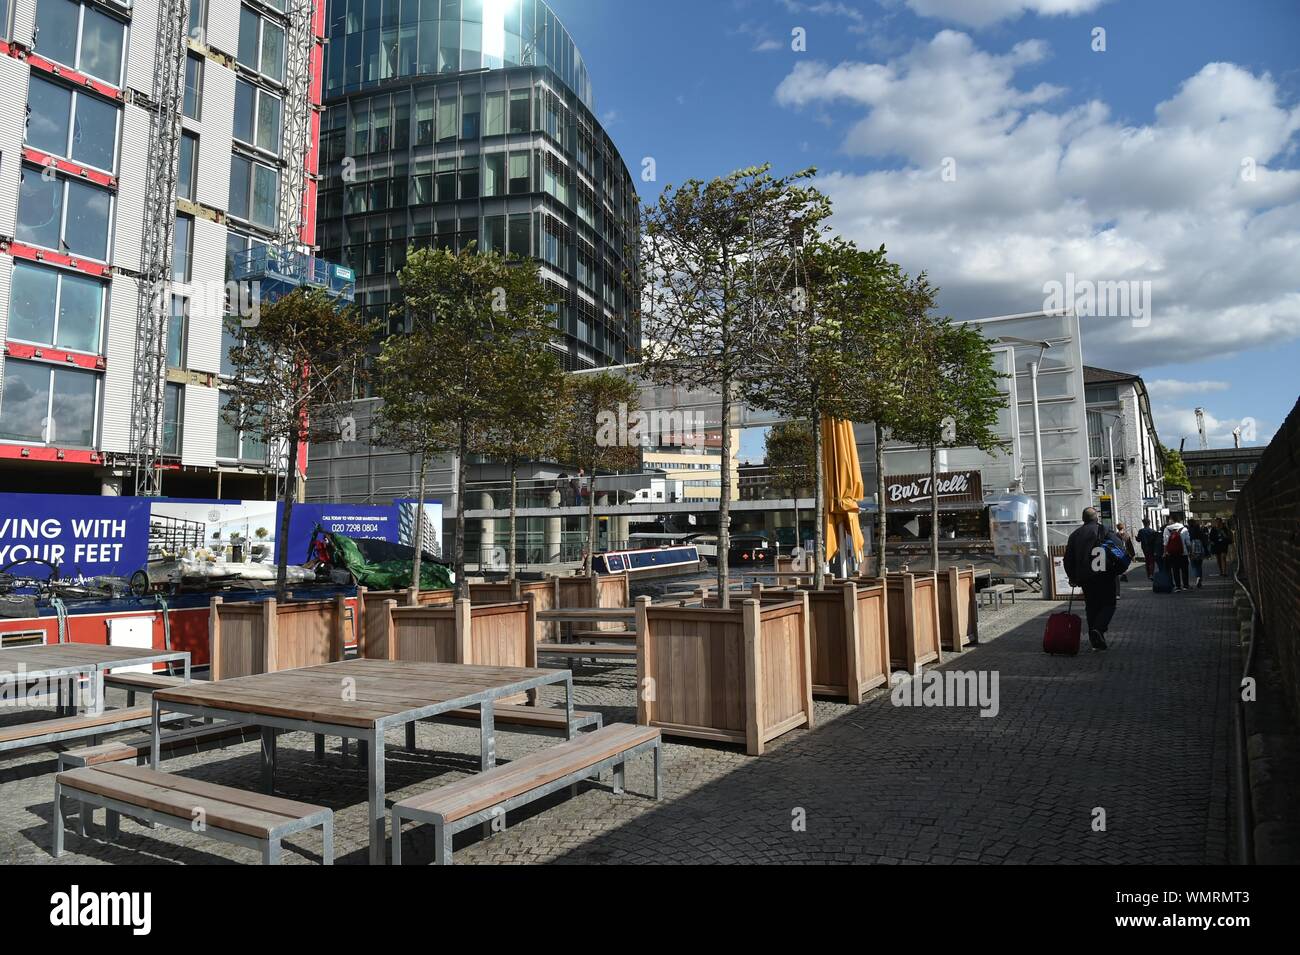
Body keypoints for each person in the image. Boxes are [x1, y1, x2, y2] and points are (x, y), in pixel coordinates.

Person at [1063, 507, 1124, 651]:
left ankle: (1094, 638)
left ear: (1083, 519)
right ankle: (1099, 629)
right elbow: (1119, 548)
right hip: (1105, 575)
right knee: (1109, 604)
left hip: (1086, 577)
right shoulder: (1105, 531)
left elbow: (1068, 559)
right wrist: (1118, 569)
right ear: (1097, 518)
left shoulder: (1075, 535)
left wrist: (1072, 577)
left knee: (1091, 606)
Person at [1163, 518, 1192, 592]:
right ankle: (1185, 585)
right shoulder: (1184, 529)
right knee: (1184, 570)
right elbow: (1188, 542)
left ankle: (1178, 586)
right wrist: (1190, 552)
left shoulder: (1167, 529)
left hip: (1172, 553)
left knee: (1175, 570)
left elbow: (1165, 543)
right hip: (1183, 553)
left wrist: (1165, 552)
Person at [1187, 518, 1210, 589]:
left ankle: (1197, 577)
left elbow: (1187, 542)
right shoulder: (1200, 531)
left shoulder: (1188, 532)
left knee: (1193, 565)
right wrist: (1206, 551)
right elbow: (1204, 542)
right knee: (1199, 565)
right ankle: (1199, 577)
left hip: (1192, 551)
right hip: (1200, 550)